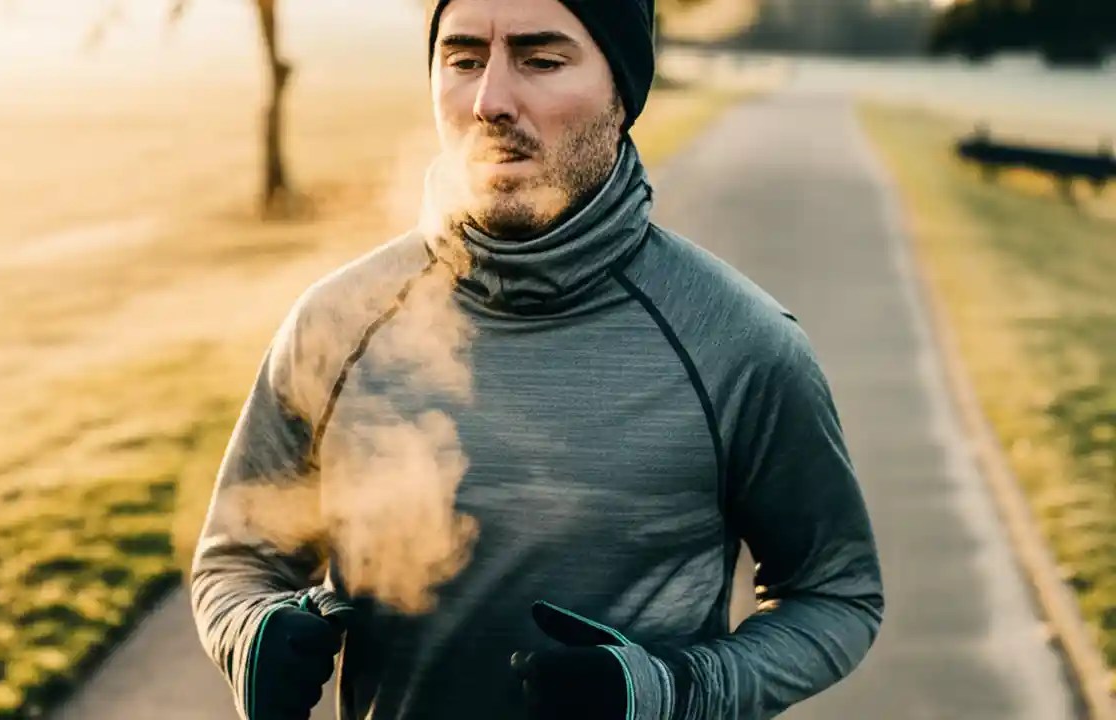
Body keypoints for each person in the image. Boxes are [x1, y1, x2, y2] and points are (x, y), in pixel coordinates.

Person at [190, 0, 885, 718]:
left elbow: (837, 595)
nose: (490, 99)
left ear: (622, 94)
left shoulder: (739, 342)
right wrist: (251, 634)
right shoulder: (335, 324)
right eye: (462, 59)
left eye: (541, 59)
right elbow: (238, 560)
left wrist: (671, 692)